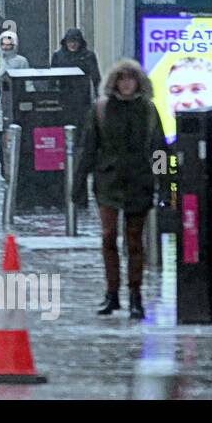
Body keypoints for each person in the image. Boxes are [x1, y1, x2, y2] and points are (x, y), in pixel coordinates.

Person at [74, 59, 166, 321]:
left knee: (135, 240)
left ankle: (135, 295)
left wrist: (164, 184)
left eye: (131, 79)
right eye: (122, 79)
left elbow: (159, 149)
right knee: (108, 236)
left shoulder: (148, 110)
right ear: (115, 82)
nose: (126, 84)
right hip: (108, 180)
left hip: (139, 181)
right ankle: (112, 292)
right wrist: (78, 184)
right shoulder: (101, 109)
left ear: (138, 82)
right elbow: (88, 148)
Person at [0, 30, 30, 178]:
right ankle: (5, 167)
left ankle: (16, 167)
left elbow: (28, 83)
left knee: (18, 137)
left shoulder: (21, 61)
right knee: (0, 140)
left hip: (17, 103)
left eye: (9, 44)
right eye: (4, 44)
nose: (6, 47)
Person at [51, 27, 102, 102]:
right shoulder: (58, 56)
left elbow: (96, 78)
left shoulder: (88, 56)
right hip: (63, 95)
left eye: (75, 41)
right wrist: (53, 95)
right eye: (69, 42)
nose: (72, 44)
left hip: (83, 96)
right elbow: (52, 78)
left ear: (80, 42)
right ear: (65, 42)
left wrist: (99, 96)